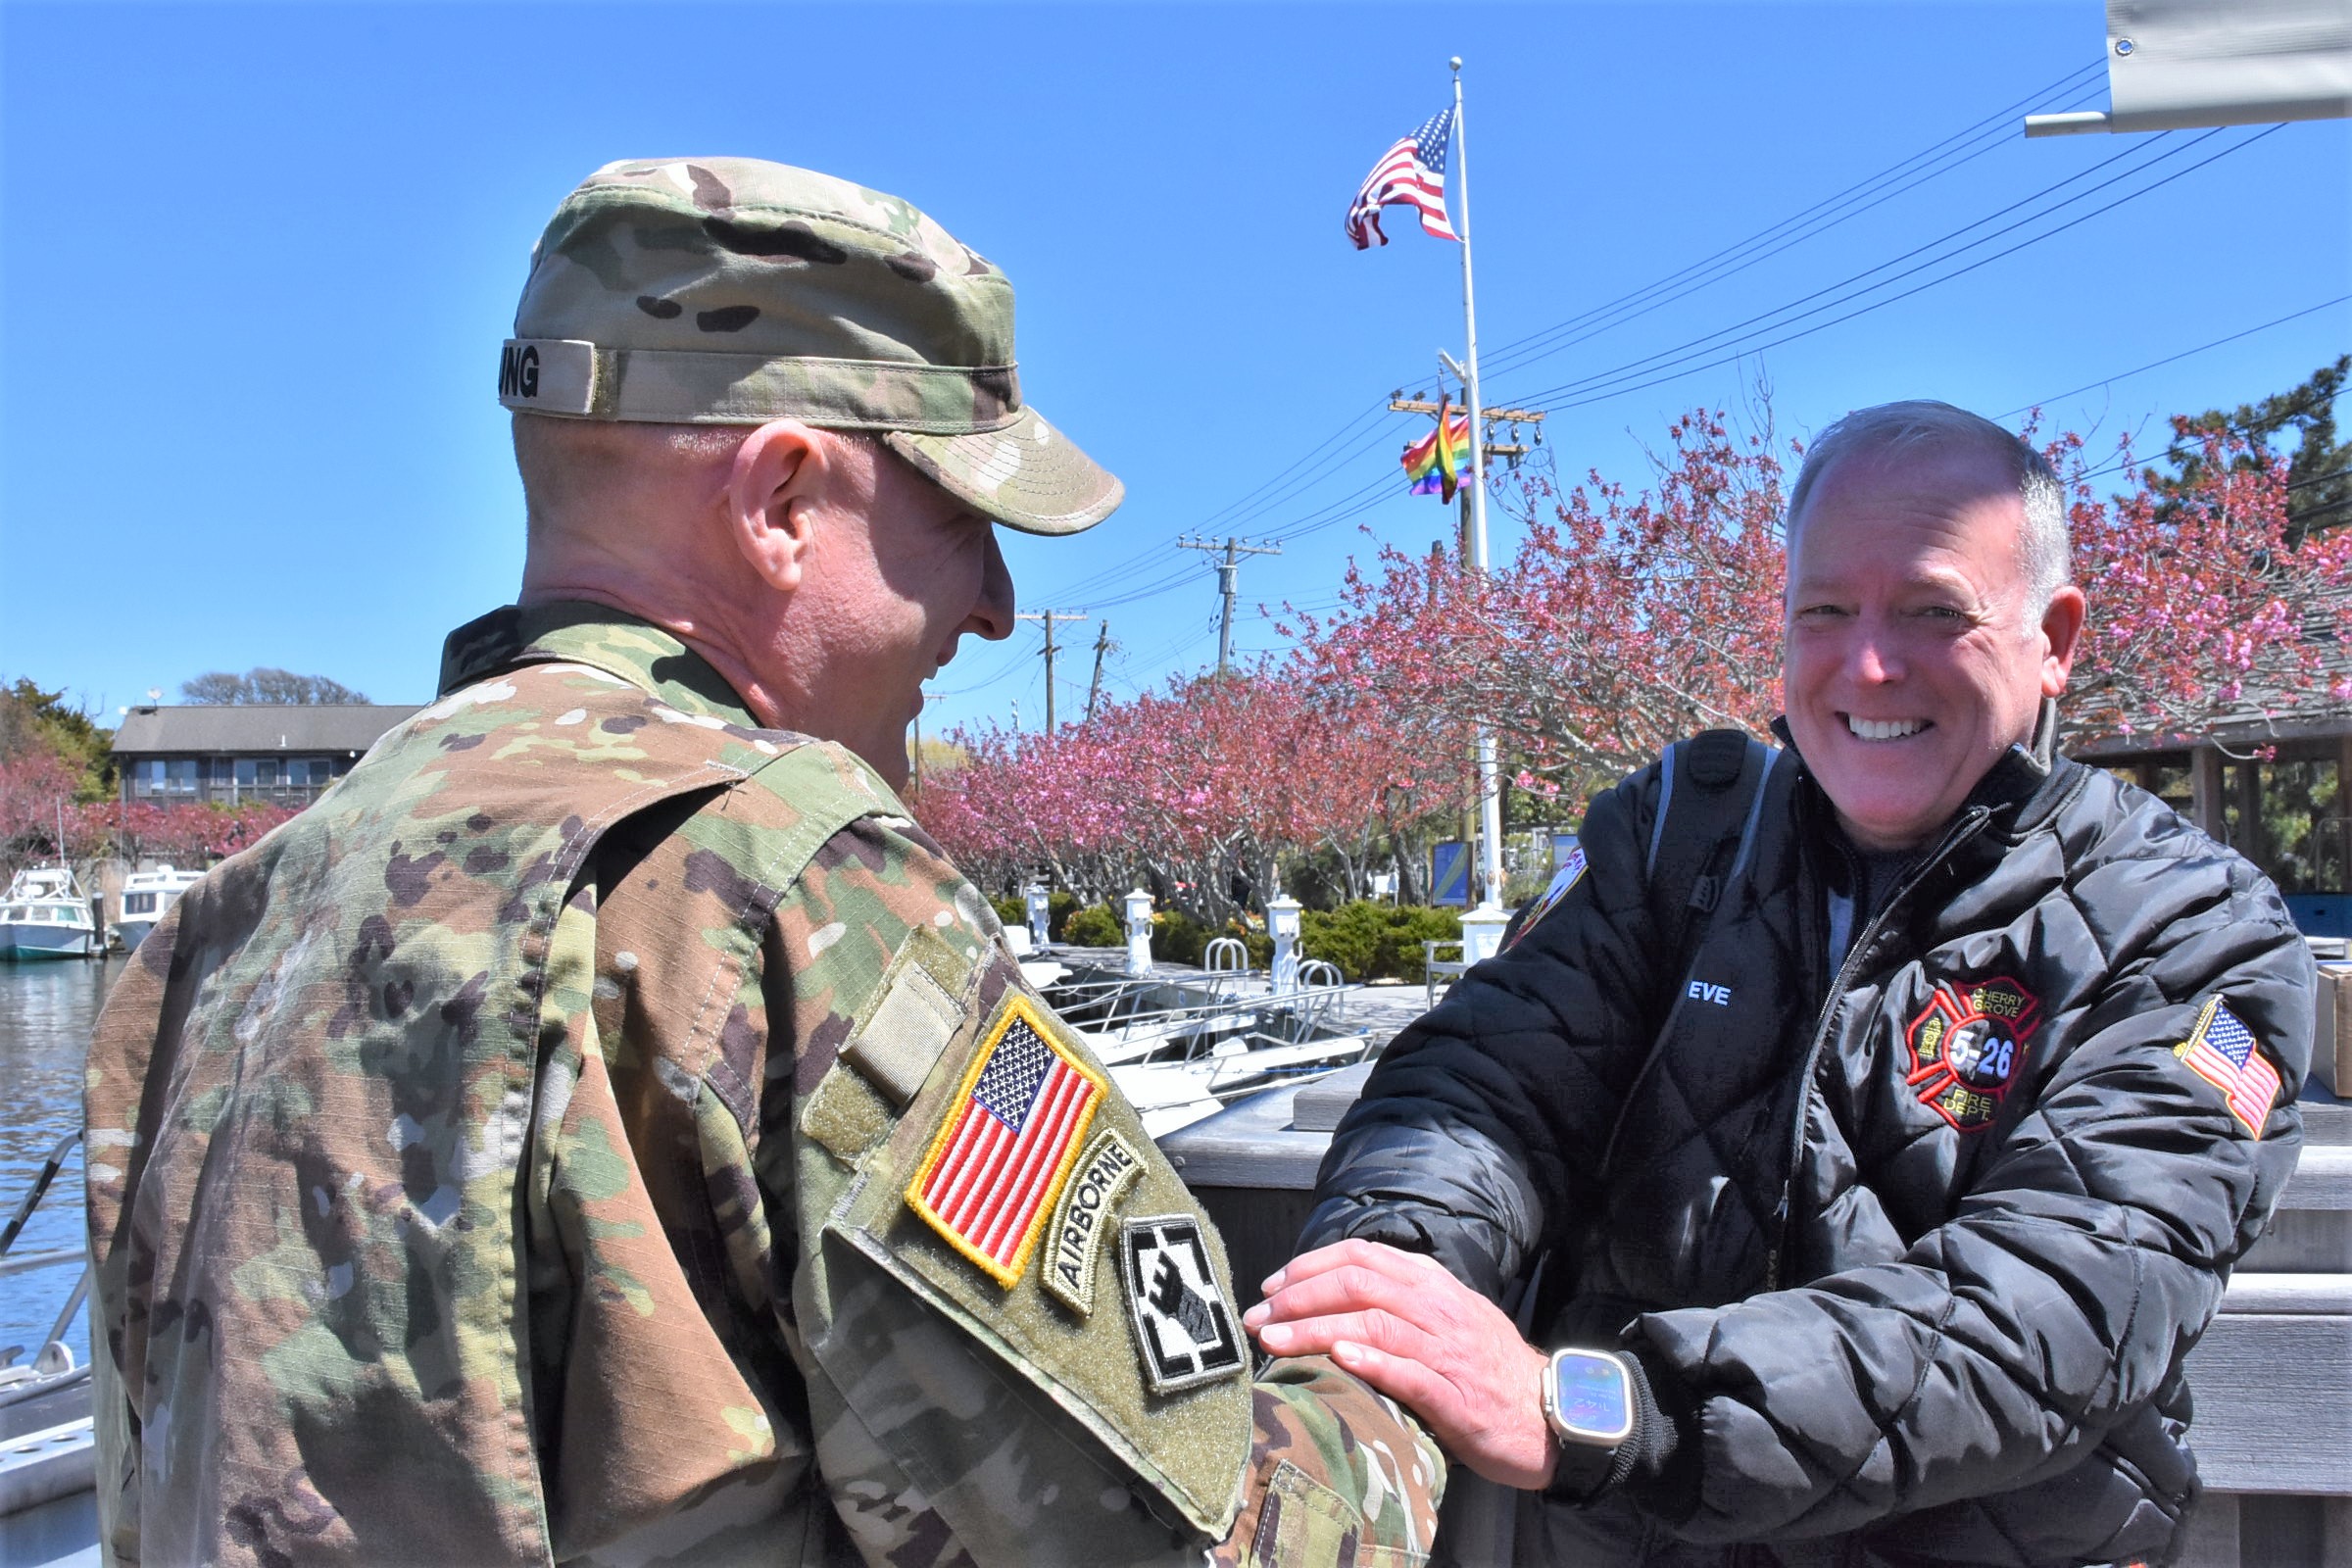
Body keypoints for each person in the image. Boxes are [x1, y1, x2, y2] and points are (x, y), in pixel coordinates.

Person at [84, 157, 1442, 1567]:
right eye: (959, 517)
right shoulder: (782, 884)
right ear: (782, 499)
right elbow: (1224, 1543)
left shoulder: (227, 925)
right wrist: (1396, 1364)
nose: (992, 605)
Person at [1247, 402, 2316, 1568]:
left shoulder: (2193, 930)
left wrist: (1601, 1409)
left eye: (1931, 610)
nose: (1868, 663)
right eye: (1824, 610)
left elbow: (2057, 1307)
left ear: (2054, 638)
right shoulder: (1682, 840)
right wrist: (1389, 1288)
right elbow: (1480, 1090)